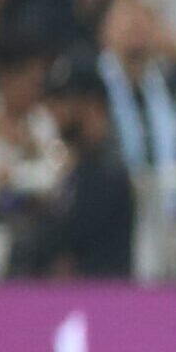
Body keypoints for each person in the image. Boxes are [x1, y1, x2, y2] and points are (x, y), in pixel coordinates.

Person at [11, 52, 133, 277]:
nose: (53, 111)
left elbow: (62, 239)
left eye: (62, 100)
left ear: (92, 104)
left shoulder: (108, 173)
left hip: (97, 303)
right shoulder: (76, 169)